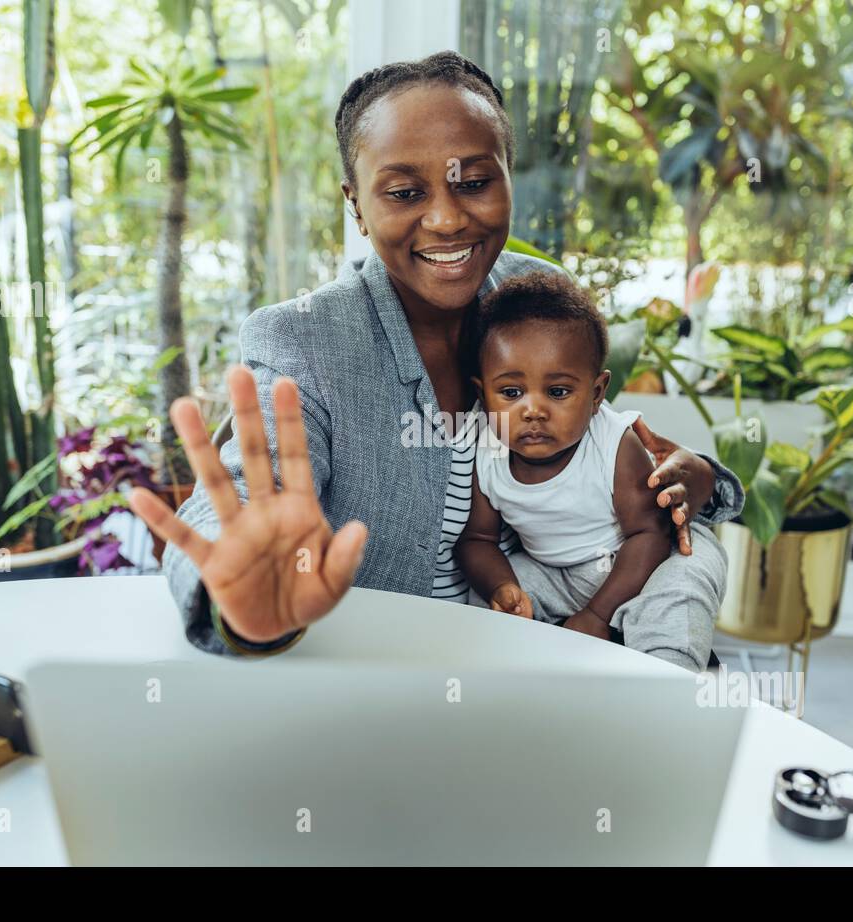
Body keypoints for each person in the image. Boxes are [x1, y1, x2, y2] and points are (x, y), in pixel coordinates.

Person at [128, 50, 743, 669]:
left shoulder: (537, 297)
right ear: (356, 205)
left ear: (508, 174)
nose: (447, 218)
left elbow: (606, 452)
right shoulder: (305, 340)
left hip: (551, 660)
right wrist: (241, 584)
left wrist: (698, 481)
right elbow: (241, 495)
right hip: (382, 681)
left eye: (474, 182)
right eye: (403, 192)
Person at [455, 271, 719, 667]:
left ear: (597, 394)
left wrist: (597, 615)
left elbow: (650, 532)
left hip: (649, 558)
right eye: (511, 393)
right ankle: (520, 682)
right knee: (491, 603)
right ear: (482, 394)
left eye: (558, 392)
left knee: (678, 597)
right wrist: (502, 585)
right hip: (560, 571)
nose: (533, 410)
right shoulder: (488, 452)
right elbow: (477, 540)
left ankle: (669, 687)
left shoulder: (612, 442)